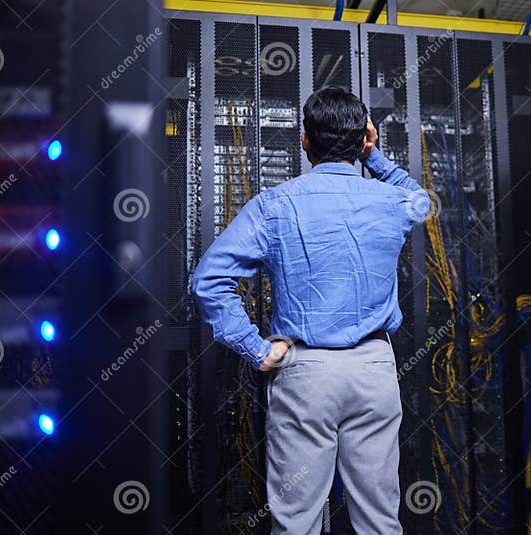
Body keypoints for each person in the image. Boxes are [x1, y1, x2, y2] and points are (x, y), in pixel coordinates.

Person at [192, 86, 431, 534]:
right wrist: (374, 157)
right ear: (364, 139)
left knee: (297, 521)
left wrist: (256, 348)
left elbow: (208, 281)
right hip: (374, 368)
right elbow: (421, 201)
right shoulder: (390, 202)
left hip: (304, 372)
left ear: (304, 141)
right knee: (380, 521)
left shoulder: (274, 205)